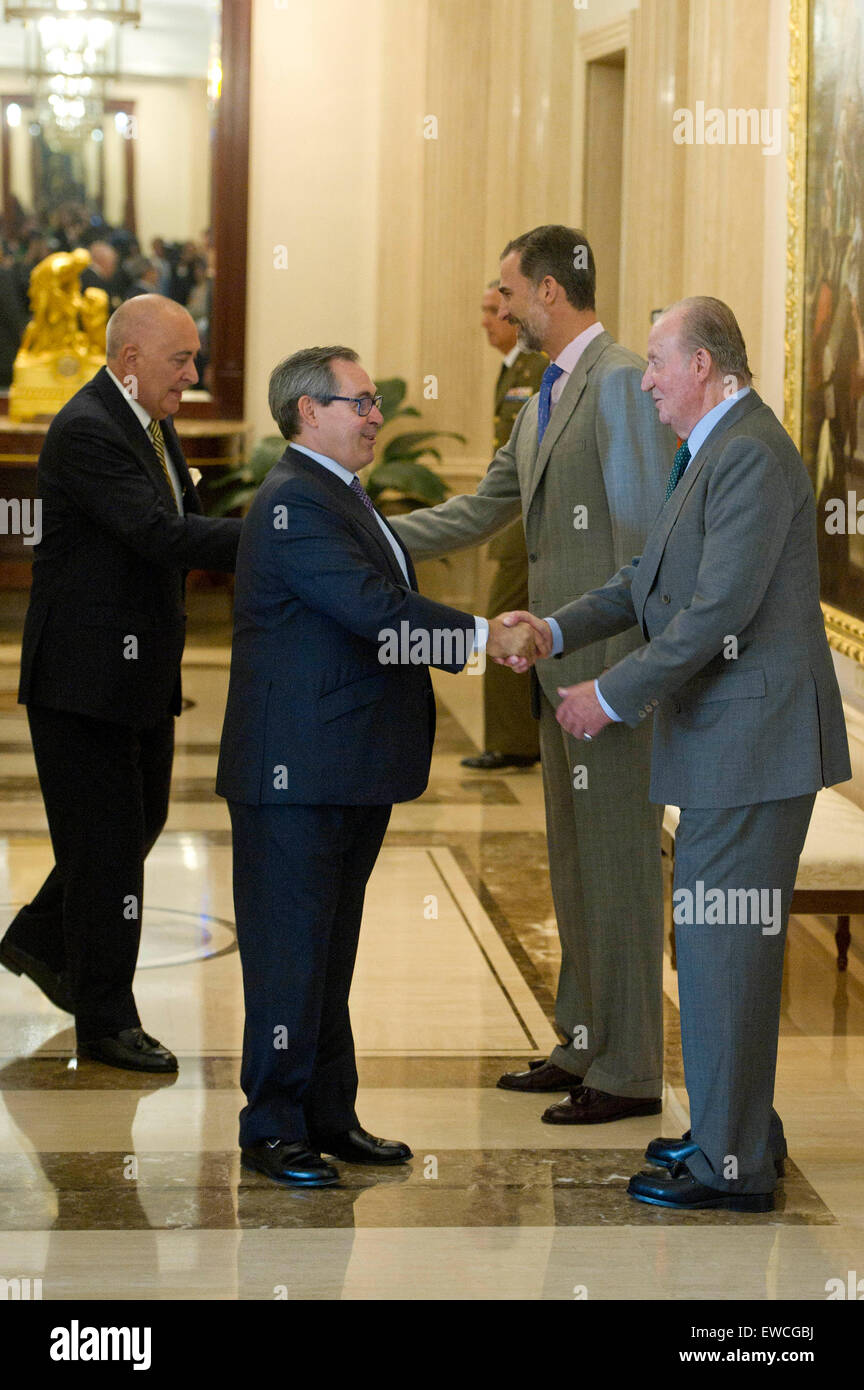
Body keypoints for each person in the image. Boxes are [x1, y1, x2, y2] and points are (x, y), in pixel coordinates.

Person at [508, 296, 850, 1210]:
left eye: (659, 361)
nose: (647, 378)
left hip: (754, 744)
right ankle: (733, 1134)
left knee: (721, 951)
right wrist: (553, 627)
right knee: (712, 949)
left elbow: (717, 614)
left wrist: (610, 696)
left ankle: (729, 1168)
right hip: (730, 743)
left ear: (703, 364)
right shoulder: (710, 449)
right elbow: (643, 582)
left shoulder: (750, 454)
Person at [215, 346, 542, 1188]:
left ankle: (328, 1114)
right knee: (291, 954)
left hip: (343, 768)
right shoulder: (295, 502)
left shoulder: (337, 494)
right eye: (356, 402)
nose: (374, 415)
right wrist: (481, 636)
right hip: (294, 774)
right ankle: (273, 1126)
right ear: (305, 413)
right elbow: (376, 612)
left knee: (328, 952)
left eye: (372, 402)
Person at [391, 225, 673, 1123]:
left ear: (549, 292)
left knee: (621, 874)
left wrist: (622, 682)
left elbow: (639, 549)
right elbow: (484, 507)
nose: (501, 307)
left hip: (607, 679)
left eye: (509, 292)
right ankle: (582, 1040)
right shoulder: (543, 393)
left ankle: (628, 1071)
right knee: (574, 869)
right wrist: (365, 532)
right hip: (556, 674)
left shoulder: (623, 381)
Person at [0, 295, 243, 1074]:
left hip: (138, 672)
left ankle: (38, 939)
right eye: (182, 360)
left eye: (196, 358)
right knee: (106, 852)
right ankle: (105, 1020)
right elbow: (158, 533)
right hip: (84, 680)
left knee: (133, 825)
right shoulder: (87, 430)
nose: (193, 374)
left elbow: (176, 520)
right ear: (131, 358)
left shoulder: (146, 417)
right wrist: (280, 530)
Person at [461, 281, 546, 771]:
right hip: (509, 516)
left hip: (523, 522)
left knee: (504, 622)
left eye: (494, 311)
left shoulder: (534, 370)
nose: (485, 321)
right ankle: (514, 738)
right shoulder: (511, 369)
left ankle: (513, 742)